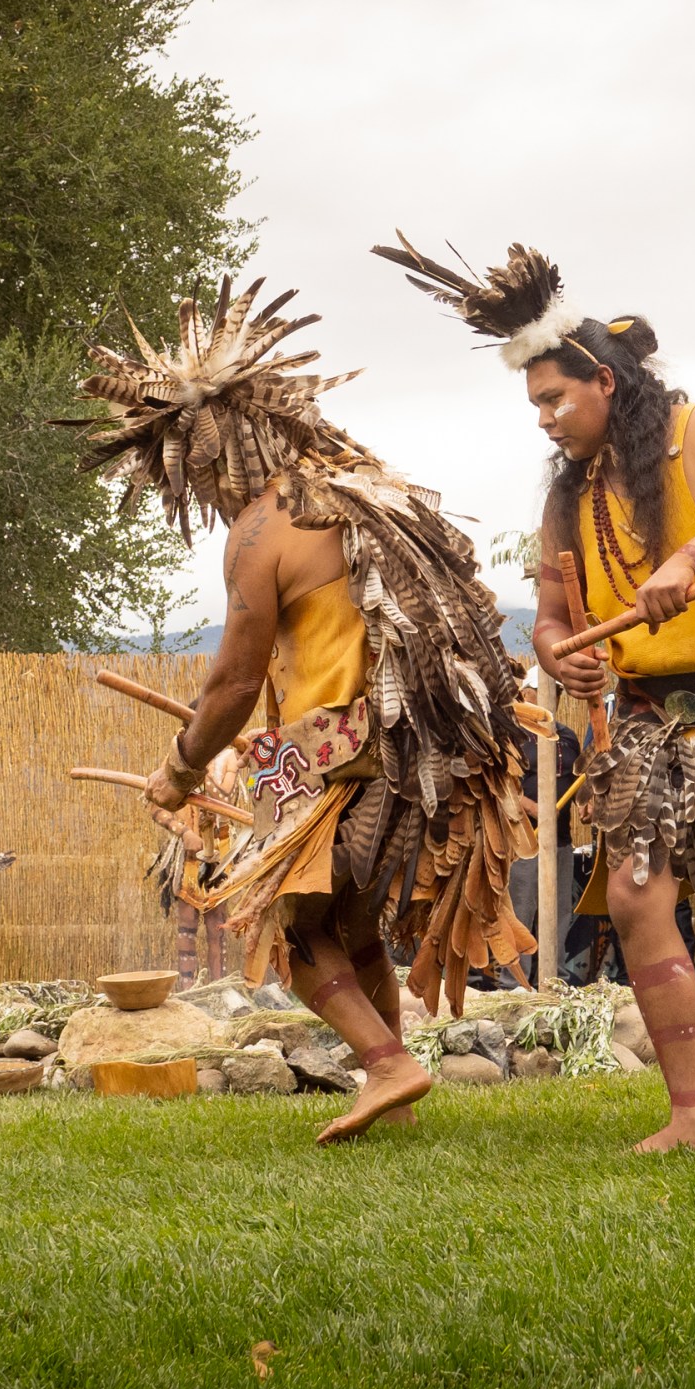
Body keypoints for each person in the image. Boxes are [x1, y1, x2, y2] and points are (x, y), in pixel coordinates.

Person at [380, 236, 695, 1150]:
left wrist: (692, 555)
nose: (543, 420)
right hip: (651, 727)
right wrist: (560, 655)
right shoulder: (567, 496)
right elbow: (544, 615)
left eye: (553, 399)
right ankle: (693, 1114)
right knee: (635, 898)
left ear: (604, 383)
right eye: (534, 404)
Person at [97, 274, 534, 1145]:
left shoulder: (262, 530)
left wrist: (181, 769)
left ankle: (387, 1064)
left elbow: (230, 683)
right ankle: (386, 1083)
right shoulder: (368, 490)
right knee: (351, 921)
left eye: (193, 470)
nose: (203, 490)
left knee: (288, 931)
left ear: (214, 452)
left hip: (329, 743)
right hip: (424, 737)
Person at [506, 681, 584, 983]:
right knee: (521, 913)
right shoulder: (514, 737)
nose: (555, 698)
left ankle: (555, 979)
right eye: (547, 692)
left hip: (561, 842)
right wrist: (537, 810)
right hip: (526, 842)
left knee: (560, 912)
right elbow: (505, 790)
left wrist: (584, 804)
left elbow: (574, 780)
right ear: (527, 694)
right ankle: (515, 984)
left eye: (560, 692)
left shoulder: (567, 736)